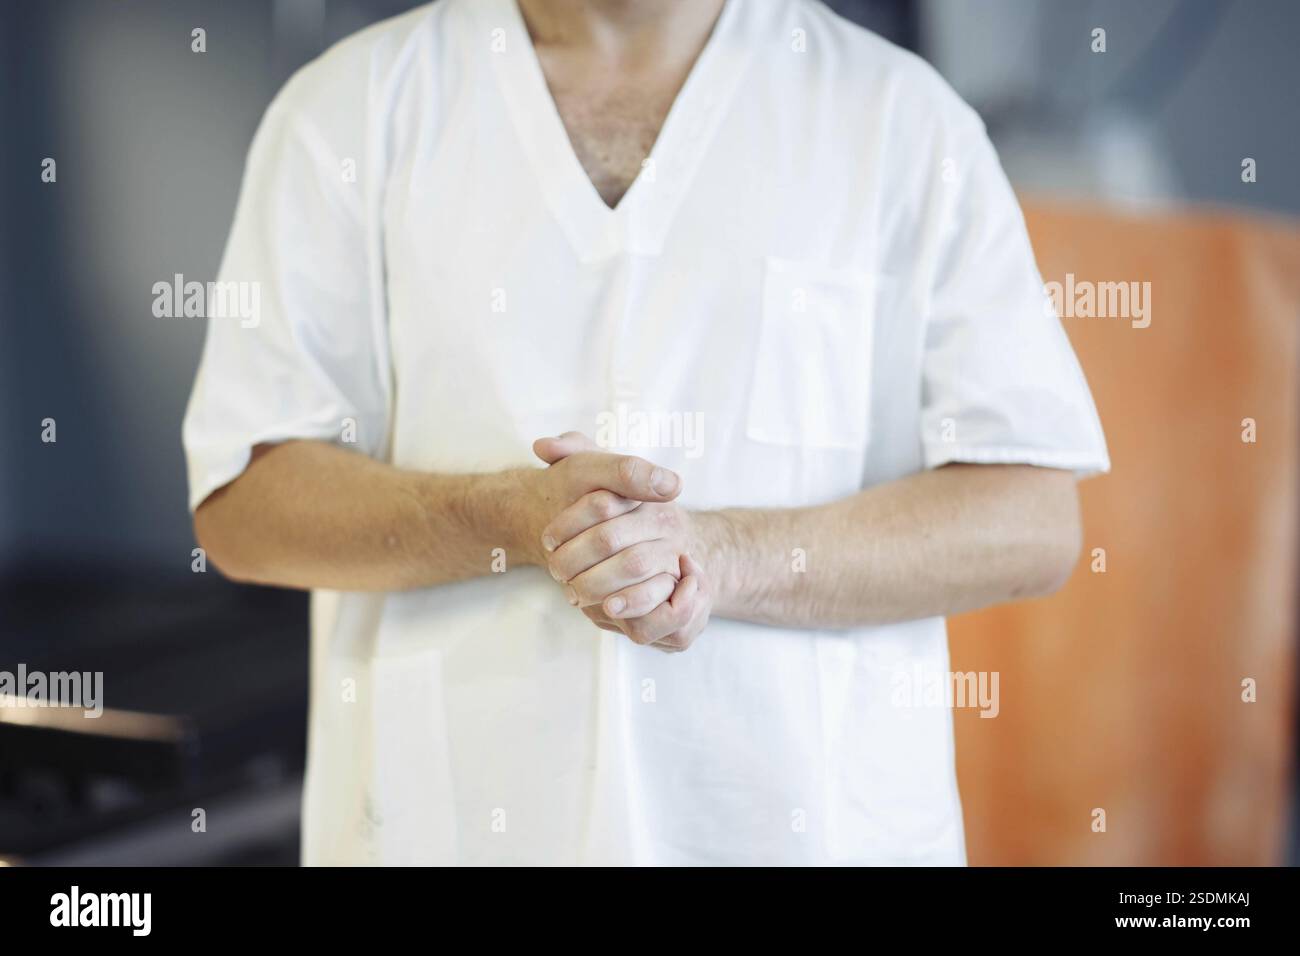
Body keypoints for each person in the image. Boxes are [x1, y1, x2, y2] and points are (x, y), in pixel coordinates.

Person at [184, 0, 1109, 865]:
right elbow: (244, 502)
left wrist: (721, 554)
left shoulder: (902, 120)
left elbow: (1031, 519)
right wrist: (517, 521)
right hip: (453, 830)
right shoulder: (349, 110)